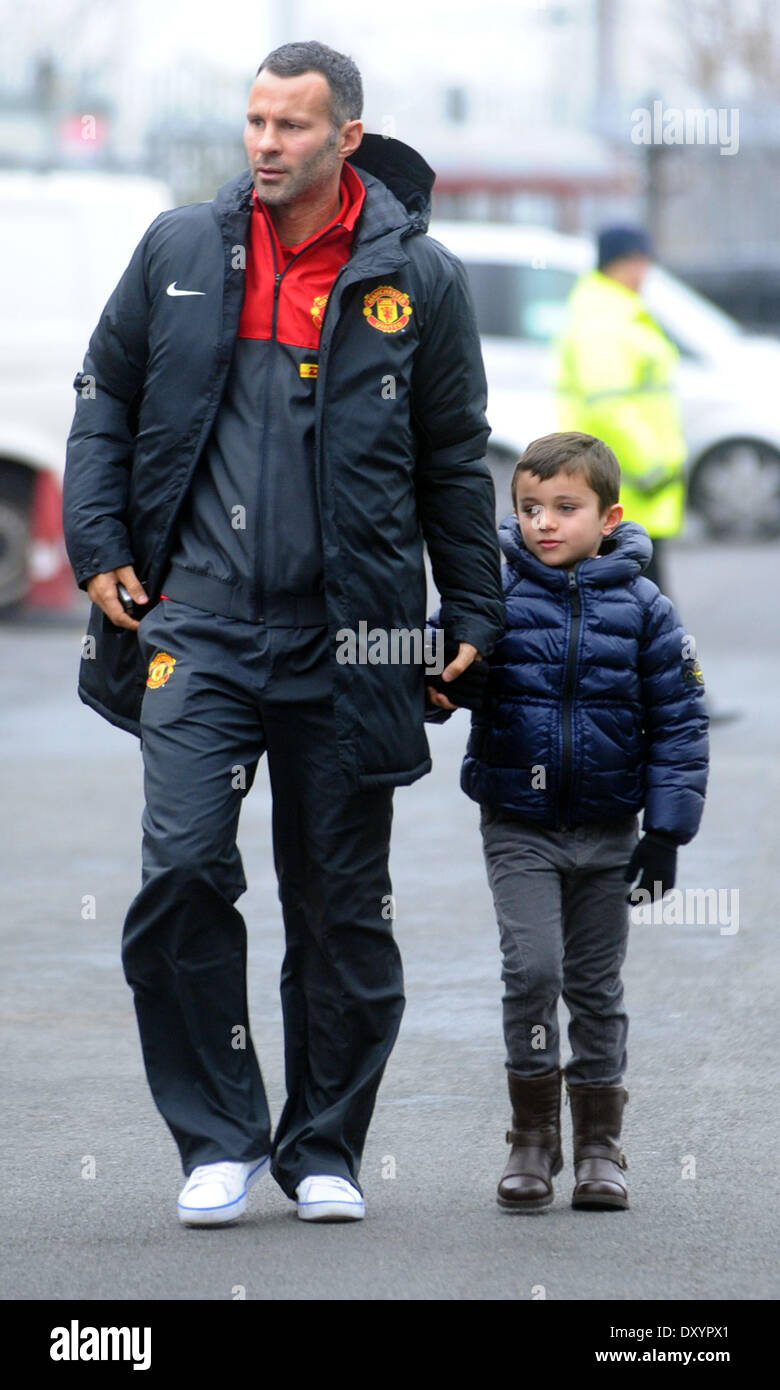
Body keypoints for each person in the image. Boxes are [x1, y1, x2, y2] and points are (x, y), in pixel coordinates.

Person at [62, 41, 504, 1227]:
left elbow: (455, 458)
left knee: (341, 903)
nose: (266, 142)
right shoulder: (177, 251)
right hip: (195, 624)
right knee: (186, 866)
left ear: (346, 137)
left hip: (355, 638)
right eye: (256, 120)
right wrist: (96, 539)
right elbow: (105, 396)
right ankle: (217, 1137)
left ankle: (323, 1149)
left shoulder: (423, 278)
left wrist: (473, 608)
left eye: (293, 126)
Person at [447, 431, 709, 1212]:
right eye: (530, 508)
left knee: (595, 987)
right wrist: (438, 675)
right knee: (533, 973)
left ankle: (599, 1145)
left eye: (566, 508)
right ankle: (532, 1140)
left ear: (610, 516)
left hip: (608, 831)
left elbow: (681, 723)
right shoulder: (492, 591)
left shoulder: (645, 608)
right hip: (518, 824)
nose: (544, 524)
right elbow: (452, 669)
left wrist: (665, 835)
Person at [555, 225, 685, 597]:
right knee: (638, 608)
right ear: (614, 264)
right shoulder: (604, 319)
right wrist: (651, 465)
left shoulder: (616, 311)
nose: (643, 272)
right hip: (627, 485)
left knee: (637, 606)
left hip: (626, 488)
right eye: (635, 261)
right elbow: (607, 404)